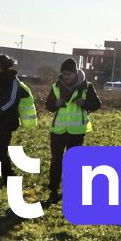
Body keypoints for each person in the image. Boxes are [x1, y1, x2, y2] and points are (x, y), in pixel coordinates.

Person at [45, 57, 101, 203]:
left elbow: (96, 104)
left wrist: (85, 103)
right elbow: (48, 105)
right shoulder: (56, 86)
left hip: (76, 131)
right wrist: (56, 103)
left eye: (69, 74)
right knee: (56, 160)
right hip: (58, 130)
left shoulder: (87, 87)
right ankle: (53, 190)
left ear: (75, 73)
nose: (66, 77)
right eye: (64, 74)